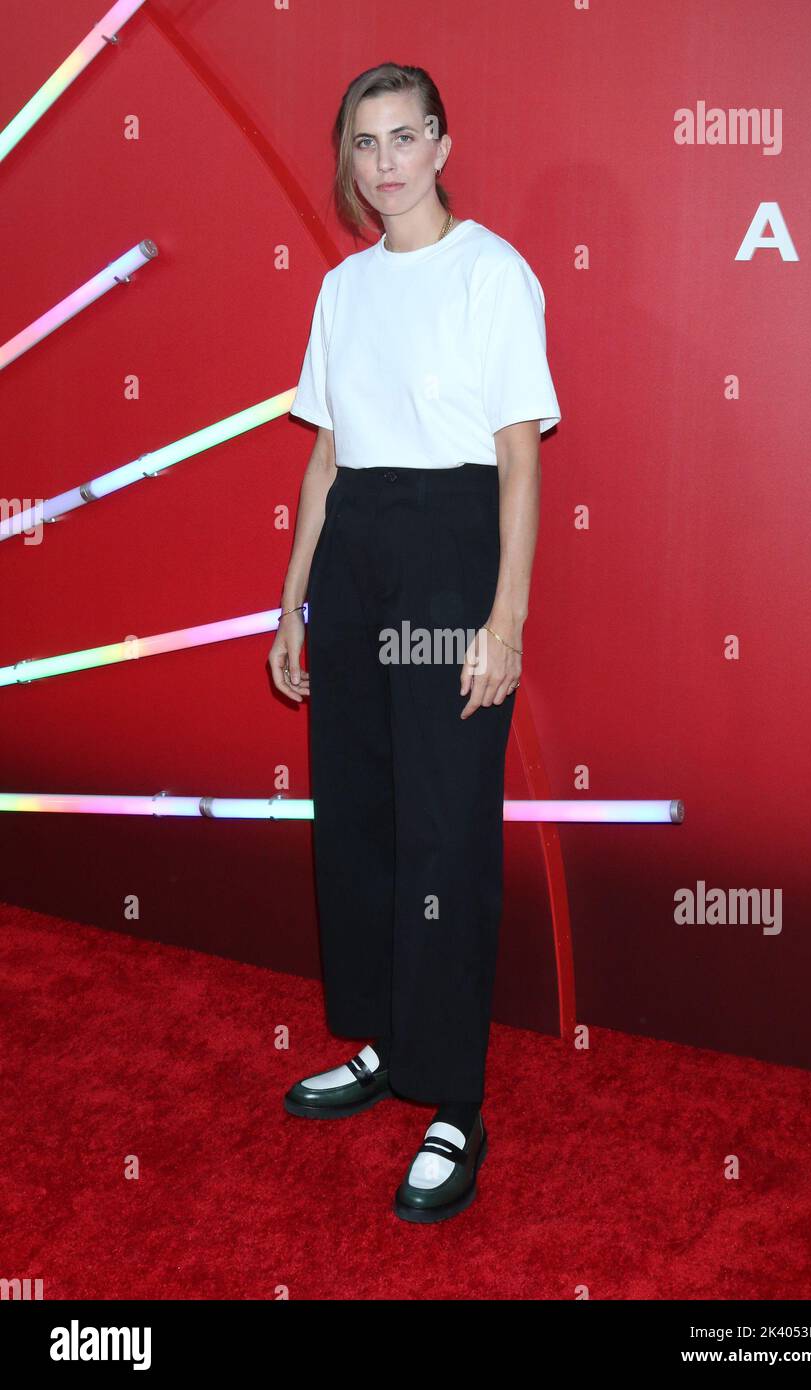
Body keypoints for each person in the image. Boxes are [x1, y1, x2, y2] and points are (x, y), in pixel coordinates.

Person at [269, 62, 561, 1224]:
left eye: (402, 138)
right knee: (364, 821)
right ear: (348, 162)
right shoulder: (341, 291)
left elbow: (521, 454)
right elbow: (325, 458)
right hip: (353, 559)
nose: (382, 162)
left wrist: (506, 617)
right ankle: (388, 1043)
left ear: (440, 145)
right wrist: (291, 601)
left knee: (443, 834)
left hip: (448, 549)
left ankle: (454, 1100)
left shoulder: (492, 274)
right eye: (363, 144)